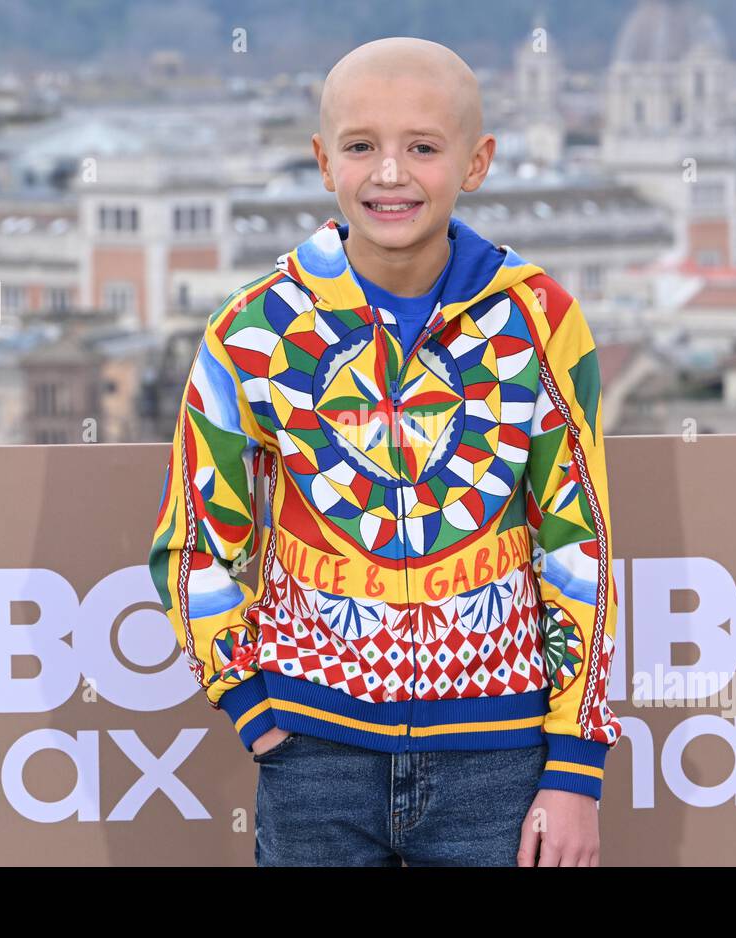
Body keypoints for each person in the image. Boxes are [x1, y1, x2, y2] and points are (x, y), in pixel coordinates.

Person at [148, 36, 621, 866]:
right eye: (362, 146)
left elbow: (579, 545)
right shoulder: (251, 331)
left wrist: (575, 766)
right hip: (311, 758)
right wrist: (250, 703)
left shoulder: (543, 320)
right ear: (322, 159)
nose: (391, 173)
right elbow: (193, 538)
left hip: (502, 759)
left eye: (423, 148)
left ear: (477, 163)